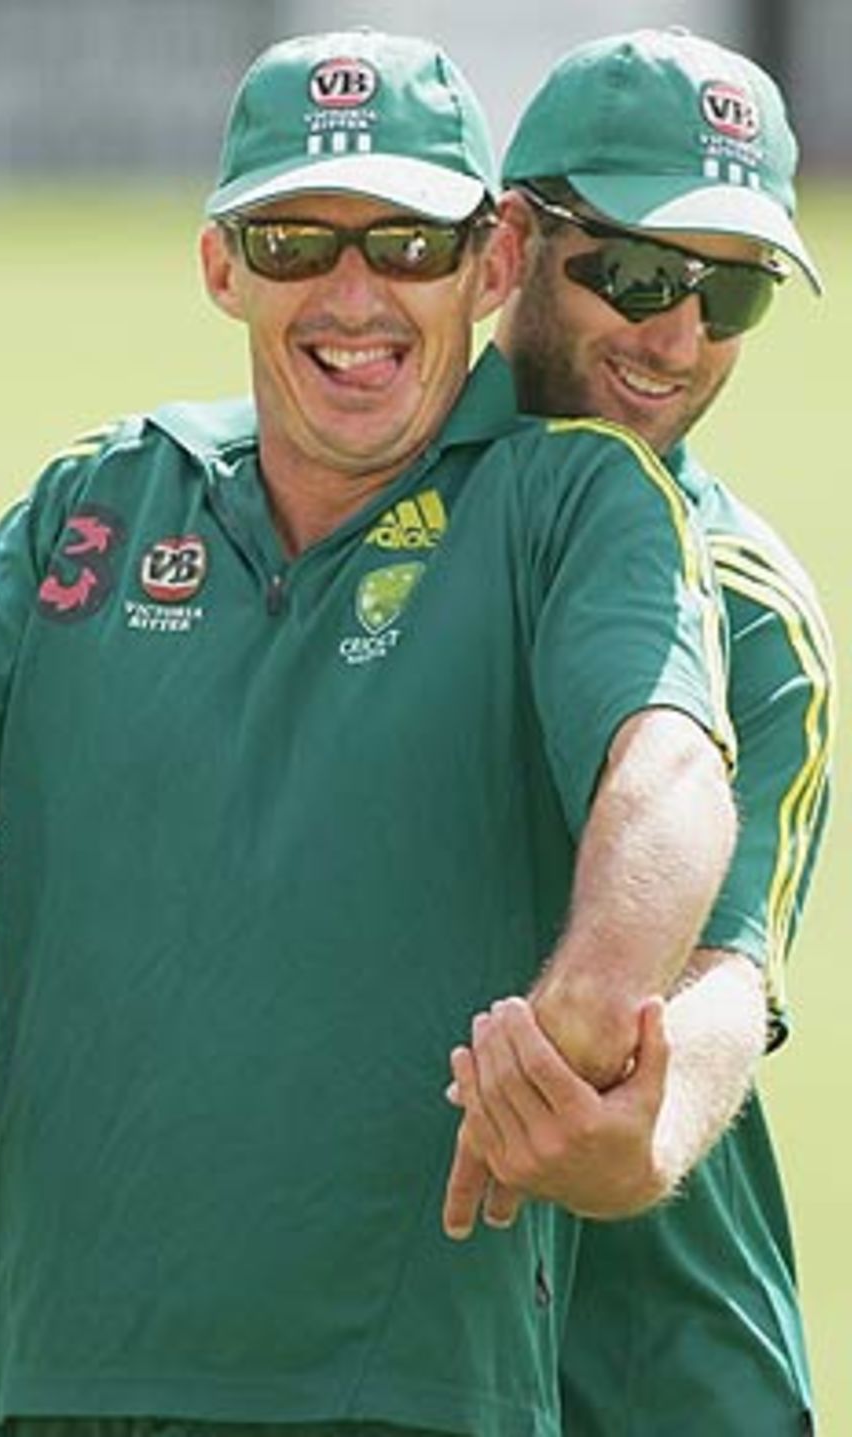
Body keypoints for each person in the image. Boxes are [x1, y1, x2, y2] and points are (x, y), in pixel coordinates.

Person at [0, 29, 740, 1437]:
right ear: (222, 266)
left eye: (407, 243)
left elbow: (668, 766)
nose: (355, 292)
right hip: (52, 1381)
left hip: (402, 1395)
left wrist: (592, 1000)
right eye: (296, 238)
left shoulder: (578, 504)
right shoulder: (99, 502)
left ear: (492, 264)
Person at [439, 29, 834, 1435]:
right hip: (359, 1344)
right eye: (639, 272)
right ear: (513, 243)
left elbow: (733, 975)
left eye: (731, 293)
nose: (679, 337)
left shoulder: (752, 610)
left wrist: (649, 1131)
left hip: (659, 1373)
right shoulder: (347, 505)